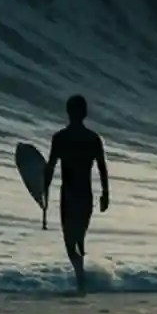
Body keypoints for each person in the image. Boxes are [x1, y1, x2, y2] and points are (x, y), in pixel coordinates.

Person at [44, 95, 109, 293]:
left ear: (68, 112)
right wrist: (106, 194)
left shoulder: (60, 138)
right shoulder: (93, 138)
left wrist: (44, 190)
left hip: (69, 194)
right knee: (79, 237)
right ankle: (83, 278)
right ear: (85, 113)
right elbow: (102, 168)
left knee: (69, 240)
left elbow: (51, 167)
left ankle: (81, 278)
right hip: (85, 194)